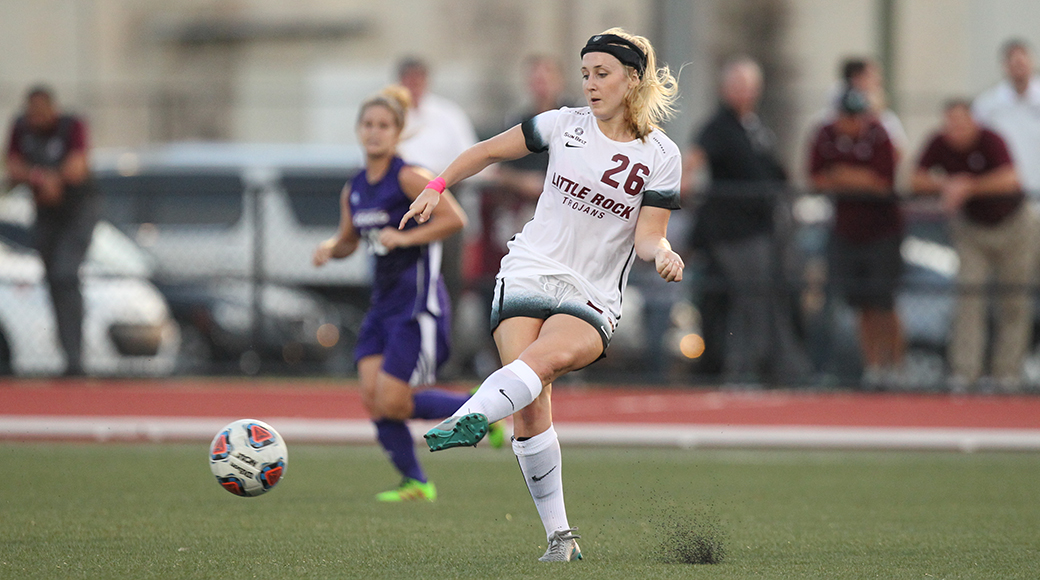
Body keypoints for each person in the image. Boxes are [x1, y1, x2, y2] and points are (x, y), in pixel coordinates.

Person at [400, 28, 684, 562]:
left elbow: (649, 235)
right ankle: (560, 539)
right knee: (529, 405)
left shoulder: (662, 154)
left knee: (540, 364)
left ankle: (475, 412)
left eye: (602, 74)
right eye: (586, 74)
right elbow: (486, 152)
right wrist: (436, 188)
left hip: (592, 290)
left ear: (633, 79)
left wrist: (663, 252)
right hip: (529, 270)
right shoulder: (561, 124)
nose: (590, 84)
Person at [312, 86, 494, 503]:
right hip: (381, 305)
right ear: (359, 130)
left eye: (384, 125)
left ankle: (483, 409)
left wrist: (406, 238)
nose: (374, 132)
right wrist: (329, 249)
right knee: (374, 399)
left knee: (393, 400)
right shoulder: (354, 188)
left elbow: (455, 218)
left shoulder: (409, 176)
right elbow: (348, 241)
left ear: (397, 133)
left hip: (415, 304)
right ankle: (416, 481)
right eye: (368, 124)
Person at [685, 56, 810, 385]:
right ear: (724, 89)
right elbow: (693, 158)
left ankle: (774, 367)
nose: (744, 92)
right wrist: (678, 187)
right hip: (733, 232)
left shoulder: (755, 127)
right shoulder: (718, 126)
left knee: (768, 297)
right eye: (737, 85)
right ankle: (743, 368)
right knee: (749, 298)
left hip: (763, 227)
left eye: (749, 86)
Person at [911, 100, 1039, 392]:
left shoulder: (991, 140)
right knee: (969, 296)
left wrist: (968, 187)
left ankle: (1007, 374)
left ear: (973, 122)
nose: (955, 130)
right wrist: (946, 185)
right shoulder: (939, 143)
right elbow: (915, 180)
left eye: (961, 123)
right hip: (971, 229)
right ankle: (965, 373)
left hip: (1014, 226)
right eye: (950, 124)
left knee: (1013, 300)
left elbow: (1010, 179)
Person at [468, 55, 571, 377]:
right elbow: (498, 167)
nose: (541, 84)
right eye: (535, 78)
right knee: (509, 282)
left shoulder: (574, 120)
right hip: (521, 217)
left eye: (546, 76)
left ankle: (558, 358)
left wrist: (546, 185)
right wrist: (520, 182)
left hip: (564, 220)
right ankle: (508, 360)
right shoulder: (518, 121)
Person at [808, 87, 904, 390]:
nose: (851, 122)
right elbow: (816, 178)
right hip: (847, 231)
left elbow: (882, 183)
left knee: (884, 302)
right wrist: (859, 179)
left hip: (882, 231)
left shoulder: (879, 135)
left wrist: (842, 176)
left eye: (856, 116)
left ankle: (896, 366)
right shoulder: (826, 134)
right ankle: (873, 367)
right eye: (846, 116)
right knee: (862, 303)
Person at [4, 85, 99, 376]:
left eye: (40, 113)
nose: (35, 119)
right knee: (54, 279)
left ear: (52, 109)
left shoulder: (71, 126)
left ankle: (77, 357)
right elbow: (13, 166)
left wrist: (54, 180)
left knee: (65, 274)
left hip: (77, 210)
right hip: (46, 213)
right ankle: (69, 357)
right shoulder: (21, 129)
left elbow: (78, 167)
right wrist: (41, 178)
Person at [395, 57, 479, 377]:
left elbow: (470, 159)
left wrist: (437, 187)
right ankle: (404, 355)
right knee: (403, 283)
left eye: (418, 79)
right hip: (401, 207)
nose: (413, 86)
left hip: (443, 204)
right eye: (408, 79)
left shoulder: (447, 116)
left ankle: (445, 357)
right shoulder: (391, 116)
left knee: (446, 282)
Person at [973, 39, 1040, 200]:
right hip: (1005, 194)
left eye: (1022, 62)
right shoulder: (987, 104)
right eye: (1014, 63)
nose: (1019, 67)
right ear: (1005, 66)